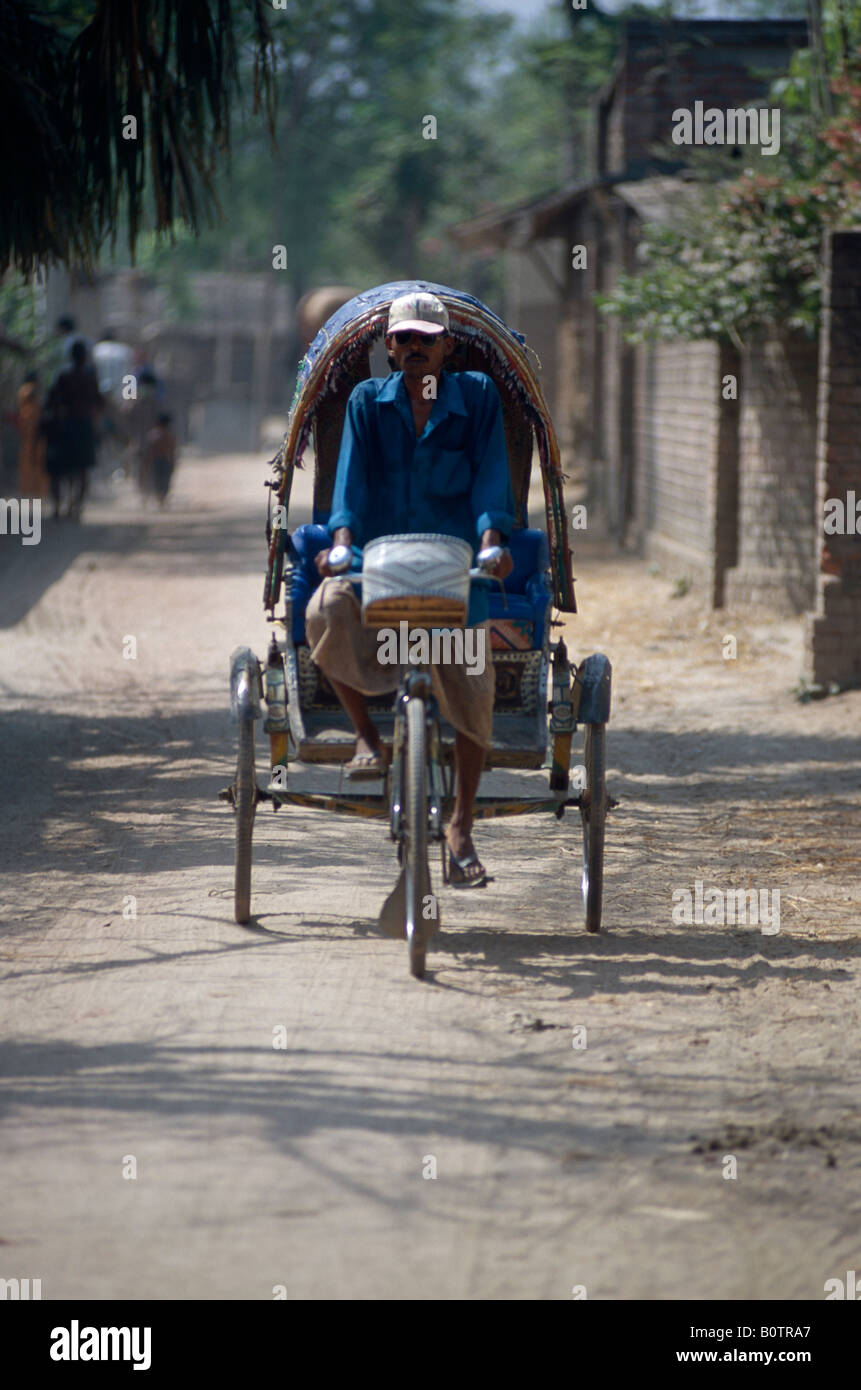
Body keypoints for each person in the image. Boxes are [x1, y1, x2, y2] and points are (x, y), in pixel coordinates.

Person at [305, 290, 515, 888]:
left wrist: (493, 543)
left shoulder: (476, 397)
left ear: (447, 346)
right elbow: (349, 483)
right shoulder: (367, 403)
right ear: (389, 348)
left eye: (427, 339)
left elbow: (490, 479)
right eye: (403, 339)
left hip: (454, 571)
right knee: (323, 611)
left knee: (475, 682)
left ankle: (462, 827)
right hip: (378, 571)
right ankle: (369, 741)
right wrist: (341, 541)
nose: (415, 348)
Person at [44, 339, 104, 519]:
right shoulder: (89, 377)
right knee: (83, 469)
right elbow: (100, 402)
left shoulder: (63, 376)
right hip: (84, 426)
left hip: (66, 426)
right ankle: (76, 507)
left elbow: (52, 401)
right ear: (85, 357)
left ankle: (57, 507)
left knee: (58, 468)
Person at [17, 371, 48, 497]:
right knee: (30, 461)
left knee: (36, 461)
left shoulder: (30, 391)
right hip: (30, 431)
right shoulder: (27, 390)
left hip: (34, 431)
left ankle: (35, 491)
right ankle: (30, 490)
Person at [142, 412, 177, 506]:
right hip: (165, 461)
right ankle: (161, 500)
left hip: (157, 462)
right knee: (164, 482)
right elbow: (172, 451)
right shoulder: (169, 436)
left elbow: (149, 451)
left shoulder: (154, 435)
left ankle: (159, 500)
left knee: (157, 481)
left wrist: (146, 462)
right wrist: (173, 462)